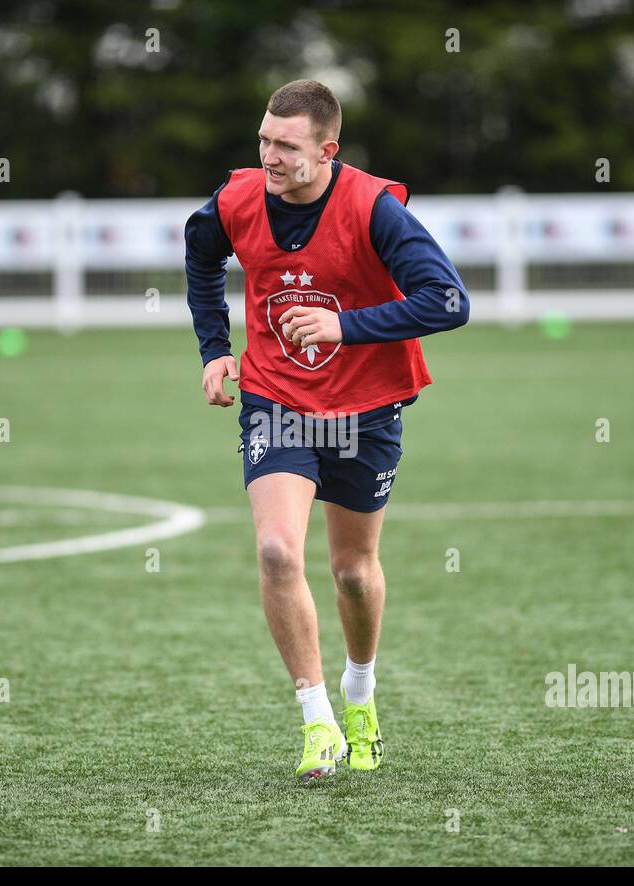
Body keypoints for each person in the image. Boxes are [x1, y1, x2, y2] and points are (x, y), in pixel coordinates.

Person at [185, 78, 469, 782]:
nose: (268, 156)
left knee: (351, 571)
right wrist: (215, 347)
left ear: (327, 149)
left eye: (285, 145)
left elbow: (450, 300)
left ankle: (361, 696)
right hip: (276, 400)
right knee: (279, 551)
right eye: (263, 140)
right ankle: (318, 724)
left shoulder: (374, 209)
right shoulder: (235, 200)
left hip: (365, 410)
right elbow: (200, 256)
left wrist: (345, 325)